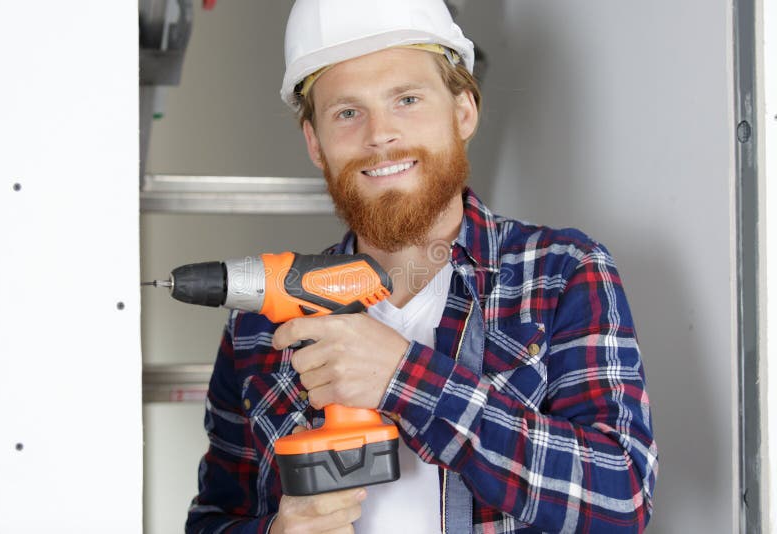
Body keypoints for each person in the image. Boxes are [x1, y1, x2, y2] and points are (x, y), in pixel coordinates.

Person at [186, 0, 658, 532]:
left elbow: (621, 500)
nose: (379, 135)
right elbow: (213, 519)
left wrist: (403, 377)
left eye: (406, 99)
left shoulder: (561, 274)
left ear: (463, 112)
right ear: (315, 144)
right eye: (347, 112)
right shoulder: (260, 326)